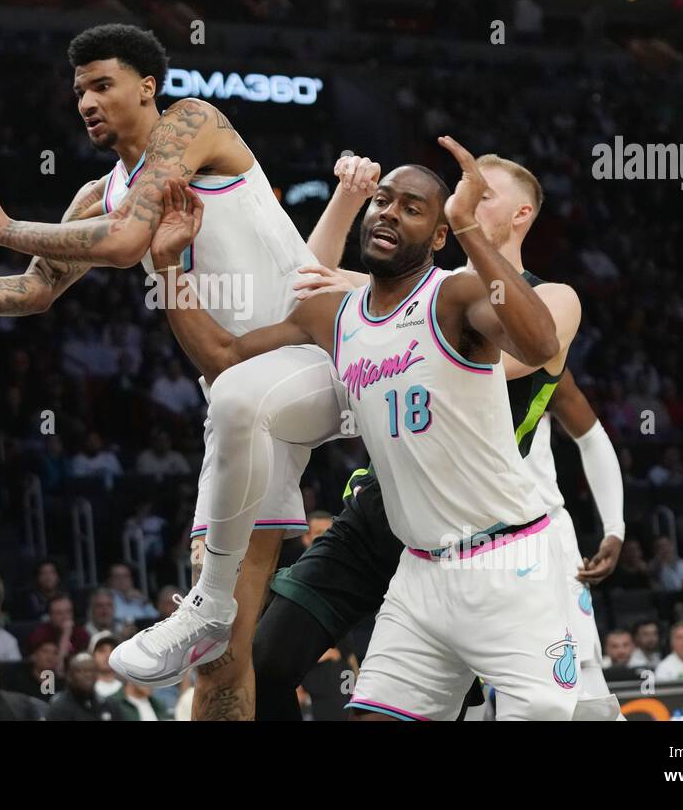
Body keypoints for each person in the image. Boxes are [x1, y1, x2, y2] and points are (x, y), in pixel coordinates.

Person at [0, 23, 371, 719]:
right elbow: (34, 289)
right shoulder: (95, 196)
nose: (87, 102)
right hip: (240, 400)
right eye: (79, 90)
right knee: (222, 654)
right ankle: (214, 616)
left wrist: (5, 226)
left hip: (319, 358)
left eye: (103, 85)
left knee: (245, 416)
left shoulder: (194, 121)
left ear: (147, 87)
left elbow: (128, 239)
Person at [123, 144, 580, 720]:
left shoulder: (458, 295)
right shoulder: (333, 314)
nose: (389, 212)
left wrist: (468, 226)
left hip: (503, 554)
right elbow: (223, 358)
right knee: (283, 670)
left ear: (440, 235)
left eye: (412, 208)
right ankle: (210, 598)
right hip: (416, 562)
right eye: (382, 201)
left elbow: (539, 345)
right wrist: (169, 268)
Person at [250, 148, 625, 720]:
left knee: (576, 708)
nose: (464, 195)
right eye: (460, 188)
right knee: (272, 659)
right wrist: (348, 199)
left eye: (482, 192)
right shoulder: (416, 290)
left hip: (491, 533)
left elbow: (480, 358)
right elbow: (307, 288)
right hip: (391, 512)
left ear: (522, 214)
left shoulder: (550, 298)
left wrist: (614, 525)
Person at [46, 653, 125, 721]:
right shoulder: (59, 707)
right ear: (70, 676)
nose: (88, 675)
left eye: (91, 670)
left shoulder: (109, 706)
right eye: (81, 671)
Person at [25, 594, 90, 669]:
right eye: (59, 613)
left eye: (68, 612)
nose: (65, 617)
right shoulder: (40, 634)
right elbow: (57, 667)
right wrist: (66, 634)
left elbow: (86, 662)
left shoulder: (81, 633)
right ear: (50, 616)